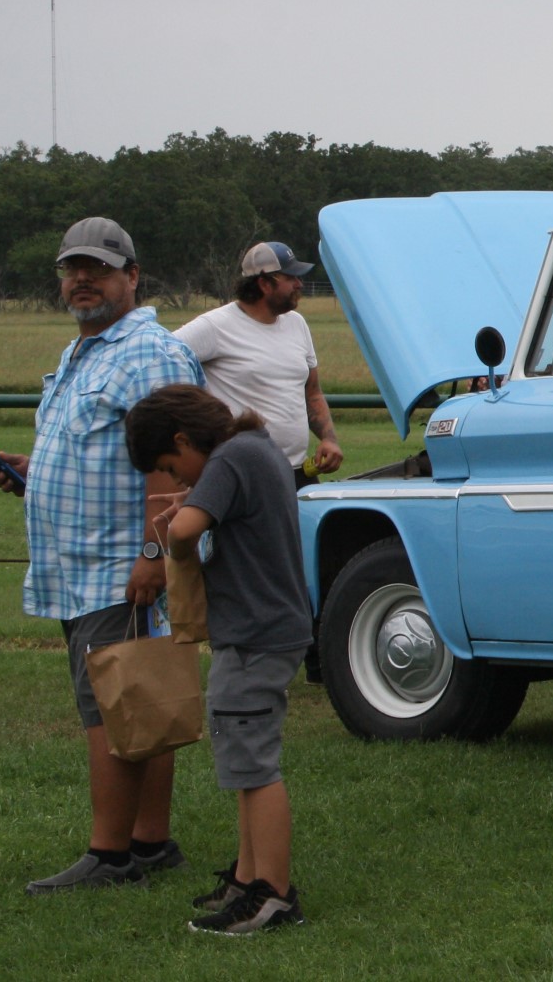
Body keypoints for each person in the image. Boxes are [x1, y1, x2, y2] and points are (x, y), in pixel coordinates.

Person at [0, 216, 204, 894]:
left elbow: (174, 464)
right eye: (71, 269)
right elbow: (100, 447)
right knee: (137, 697)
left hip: (119, 565)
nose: (82, 279)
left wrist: (152, 553)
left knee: (113, 704)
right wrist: (36, 467)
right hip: (81, 562)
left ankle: (110, 856)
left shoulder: (147, 352)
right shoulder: (87, 350)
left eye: (98, 268)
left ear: (132, 277)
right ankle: (150, 844)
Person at [127, 385, 312, 934]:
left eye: (171, 465)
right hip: (265, 631)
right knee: (242, 763)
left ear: (184, 438)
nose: (179, 480)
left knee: (254, 767)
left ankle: (272, 895)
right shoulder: (256, 446)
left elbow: (184, 530)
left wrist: (170, 546)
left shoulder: (231, 456)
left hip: (256, 635)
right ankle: (247, 877)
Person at [175, 241, 343, 489]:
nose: (300, 284)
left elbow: (312, 391)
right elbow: (162, 357)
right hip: (242, 476)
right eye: (291, 277)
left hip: (298, 473)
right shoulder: (214, 326)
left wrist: (329, 439)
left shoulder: (297, 323)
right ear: (264, 283)